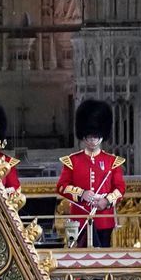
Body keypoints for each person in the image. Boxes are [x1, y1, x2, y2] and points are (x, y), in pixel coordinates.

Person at [56, 98, 125, 246]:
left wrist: (106, 201)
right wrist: (82, 194)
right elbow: (61, 186)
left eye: (96, 136)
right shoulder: (73, 161)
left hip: (104, 219)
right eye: (89, 136)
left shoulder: (112, 161)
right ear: (83, 136)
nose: (93, 140)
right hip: (80, 219)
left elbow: (120, 188)